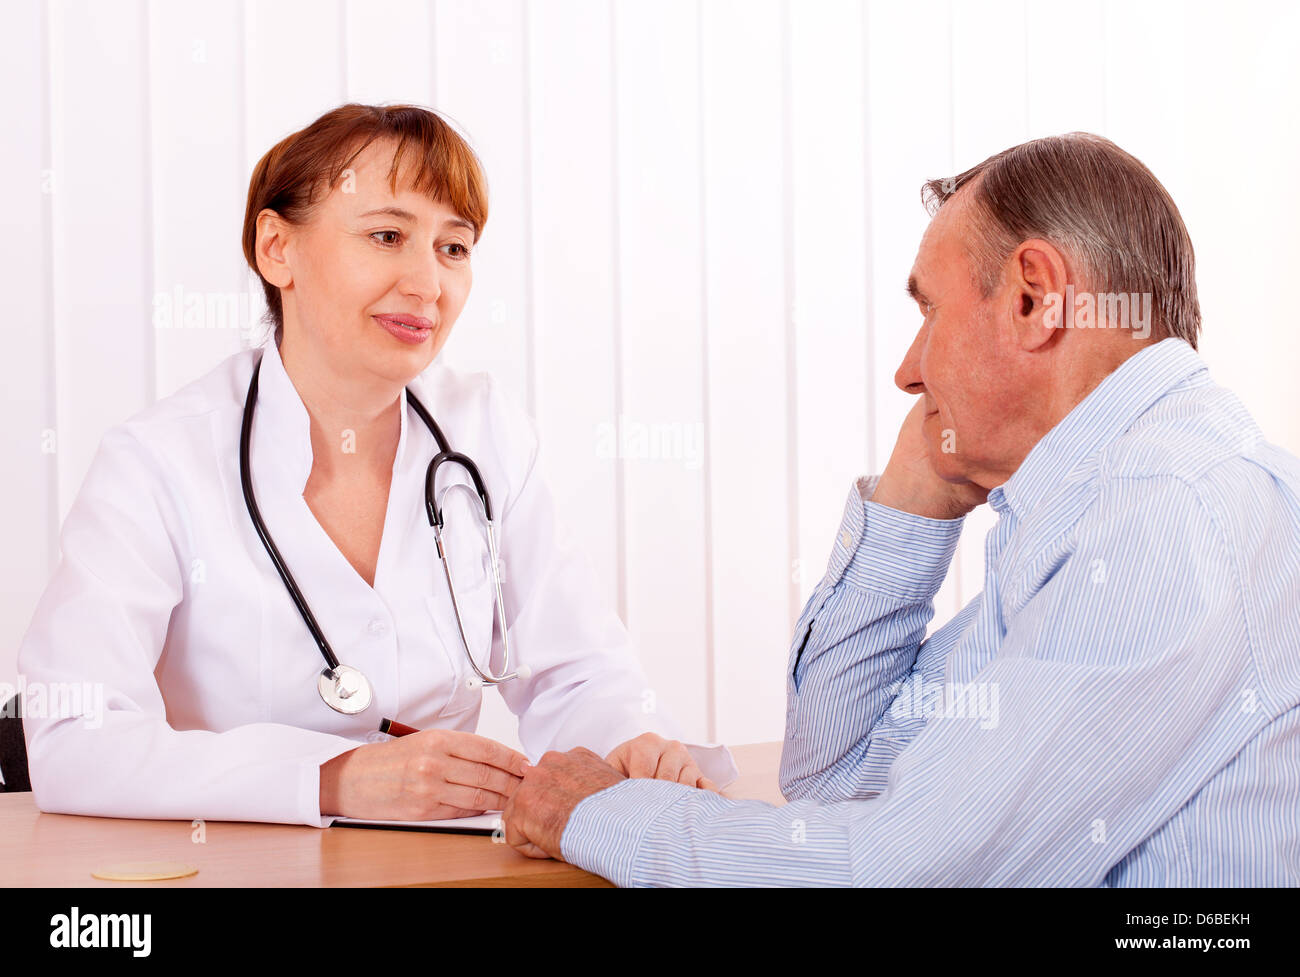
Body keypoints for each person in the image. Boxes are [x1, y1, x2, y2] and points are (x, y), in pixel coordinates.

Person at [501, 132, 1300, 885]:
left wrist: (601, 814)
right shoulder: (1110, 508)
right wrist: (910, 510)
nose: (907, 371)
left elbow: (900, 873)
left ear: (1034, 298)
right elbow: (835, 778)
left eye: (929, 312)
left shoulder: (1168, 516)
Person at [15, 103, 735, 827]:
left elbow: (575, 669)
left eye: (454, 248)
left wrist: (631, 742)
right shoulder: (155, 463)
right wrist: (329, 778)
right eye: (387, 235)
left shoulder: (484, 431)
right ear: (276, 249)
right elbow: (75, 737)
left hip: (443, 867)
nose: (428, 284)